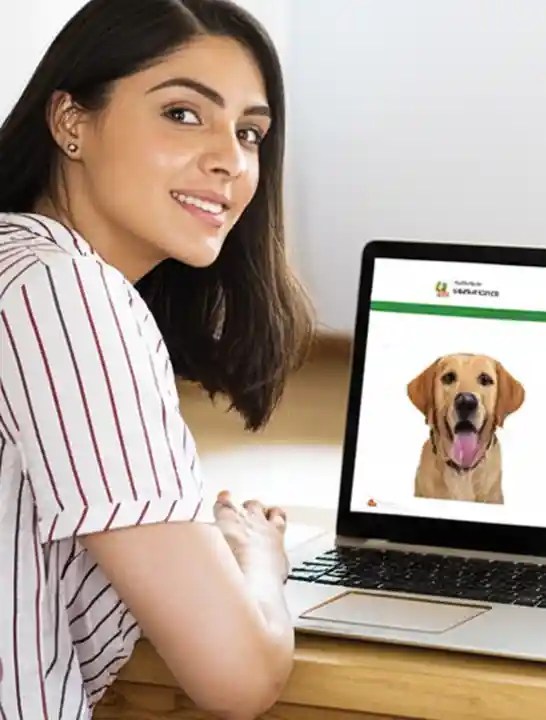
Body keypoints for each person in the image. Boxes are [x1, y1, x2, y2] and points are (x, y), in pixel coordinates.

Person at [0, 0, 315, 717]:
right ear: (71, 122)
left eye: (250, 132)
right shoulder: (65, 293)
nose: (230, 160)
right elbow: (237, 676)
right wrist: (261, 559)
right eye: (182, 114)